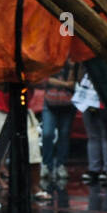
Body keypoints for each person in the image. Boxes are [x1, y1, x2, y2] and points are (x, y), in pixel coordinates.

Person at [39, 61, 78, 189]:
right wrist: (65, 84)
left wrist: (72, 68)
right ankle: (47, 164)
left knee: (64, 134)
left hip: (68, 105)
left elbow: (73, 84)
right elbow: (46, 80)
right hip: (50, 102)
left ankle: (61, 164)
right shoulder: (50, 59)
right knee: (47, 133)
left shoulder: (73, 63)